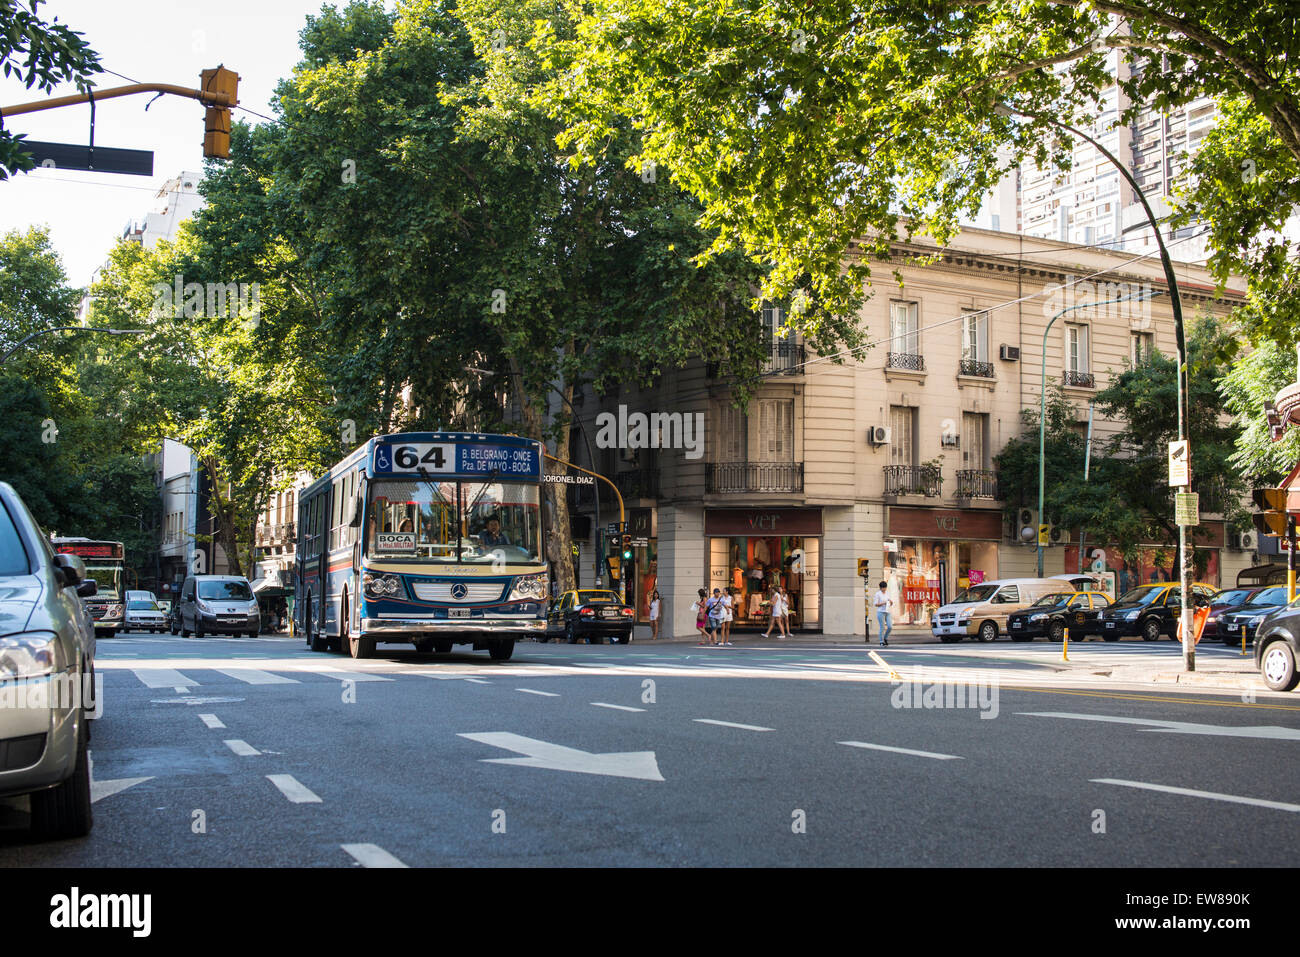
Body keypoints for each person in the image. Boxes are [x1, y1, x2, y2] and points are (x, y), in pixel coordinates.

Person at [873, 580, 893, 647]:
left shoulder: (888, 593)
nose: (884, 589)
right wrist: (883, 603)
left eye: (885, 588)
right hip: (880, 612)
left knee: (890, 626)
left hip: (887, 611)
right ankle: (881, 641)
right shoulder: (878, 594)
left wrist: (890, 602)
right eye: (883, 588)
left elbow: (890, 602)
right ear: (880, 588)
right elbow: (876, 604)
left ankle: (885, 637)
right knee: (882, 627)